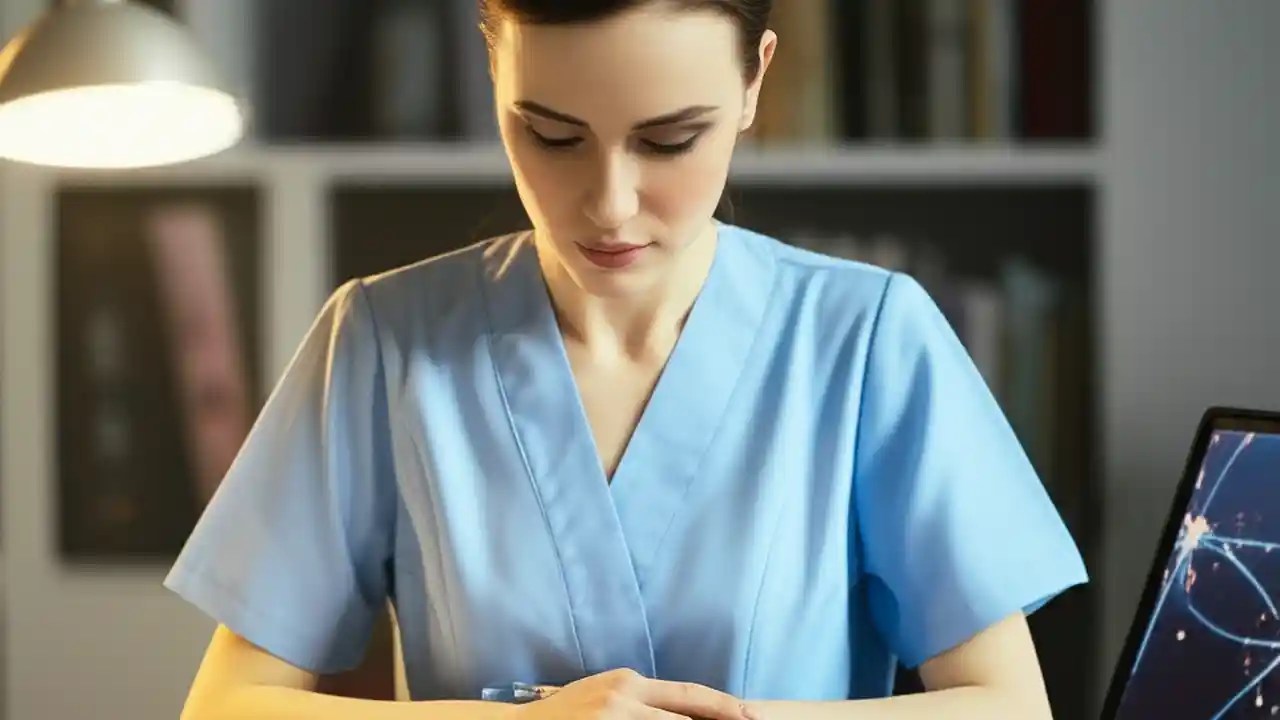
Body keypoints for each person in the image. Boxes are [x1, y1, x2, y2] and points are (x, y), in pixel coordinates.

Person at [163, 1, 1089, 718]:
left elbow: (1009, 706)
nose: (608, 204)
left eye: (669, 140)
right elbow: (226, 707)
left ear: (756, 80)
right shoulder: (383, 342)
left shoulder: (867, 338)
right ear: (493, 70)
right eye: (552, 135)